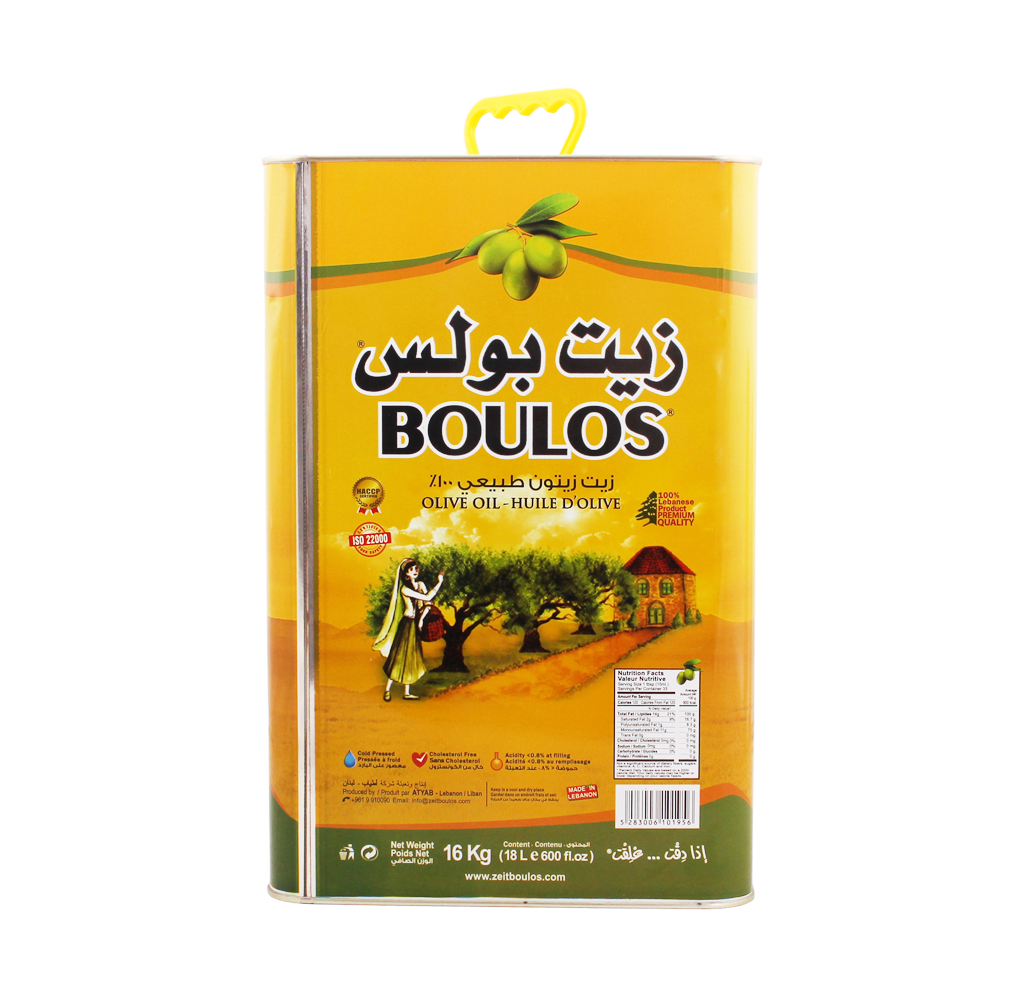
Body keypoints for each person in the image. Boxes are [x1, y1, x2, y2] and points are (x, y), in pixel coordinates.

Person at [372, 559, 445, 701]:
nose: (415, 571)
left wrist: (422, 619)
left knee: (412, 656)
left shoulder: (421, 585)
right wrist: (439, 582)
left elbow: (428, 603)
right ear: (406, 574)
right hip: (406, 625)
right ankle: (387, 689)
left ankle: (407, 692)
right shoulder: (404, 589)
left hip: (416, 624)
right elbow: (427, 596)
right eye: (411, 569)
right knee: (399, 656)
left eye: (416, 568)